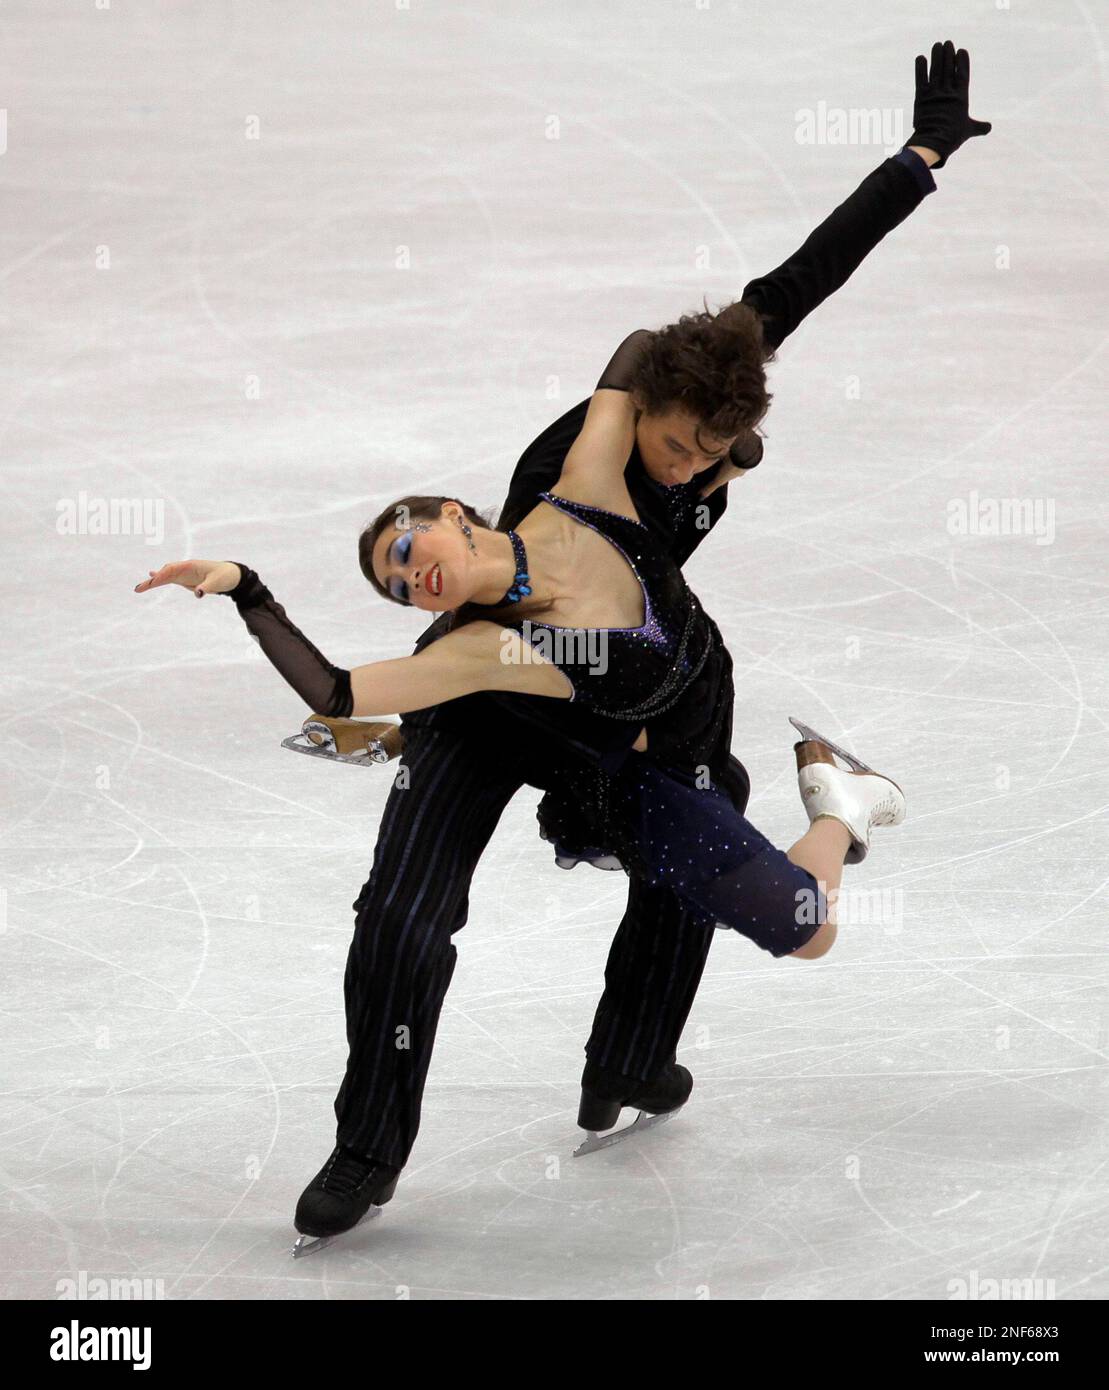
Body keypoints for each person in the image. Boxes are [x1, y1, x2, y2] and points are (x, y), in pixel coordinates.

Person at [134, 41, 989, 1251]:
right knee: (403, 918)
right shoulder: (576, 467)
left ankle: (634, 1063)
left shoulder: (703, 413)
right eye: (677, 444)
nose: (684, 466)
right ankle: (366, 1151)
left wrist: (918, 158)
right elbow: (638, 361)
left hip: (631, 692)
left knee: (705, 828)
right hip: (491, 696)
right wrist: (293, 630)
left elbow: (807, 276)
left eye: (709, 456)